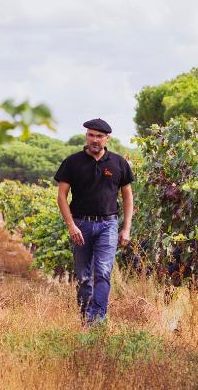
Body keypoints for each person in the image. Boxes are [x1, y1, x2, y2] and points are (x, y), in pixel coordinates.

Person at [53, 118, 134, 325]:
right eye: (91, 135)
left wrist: (126, 229)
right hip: (80, 225)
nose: (94, 139)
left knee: (104, 272)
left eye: (99, 136)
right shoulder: (72, 162)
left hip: (108, 225)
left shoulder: (119, 163)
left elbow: (127, 197)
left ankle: (97, 321)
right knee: (83, 277)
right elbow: (62, 196)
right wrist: (71, 226)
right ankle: (85, 317)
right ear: (86, 136)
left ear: (107, 138)